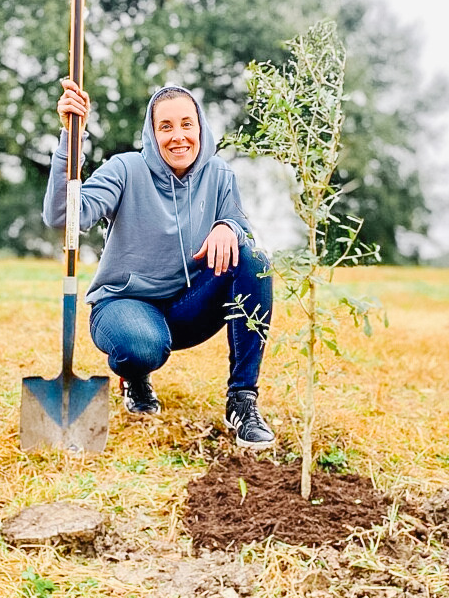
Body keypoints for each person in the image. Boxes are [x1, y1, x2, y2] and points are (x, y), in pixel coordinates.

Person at [42, 79, 275, 449]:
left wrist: (229, 227)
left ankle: (242, 400)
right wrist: (70, 142)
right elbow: (63, 217)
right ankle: (135, 377)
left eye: (187, 124)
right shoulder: (125, 169)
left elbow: (240, 225)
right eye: (165, 127)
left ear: (201, 128)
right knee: (142, 346)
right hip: (125, 307)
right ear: (151, 134)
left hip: (187, 310)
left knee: (255, 259)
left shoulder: (219, 175)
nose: (178, 136)